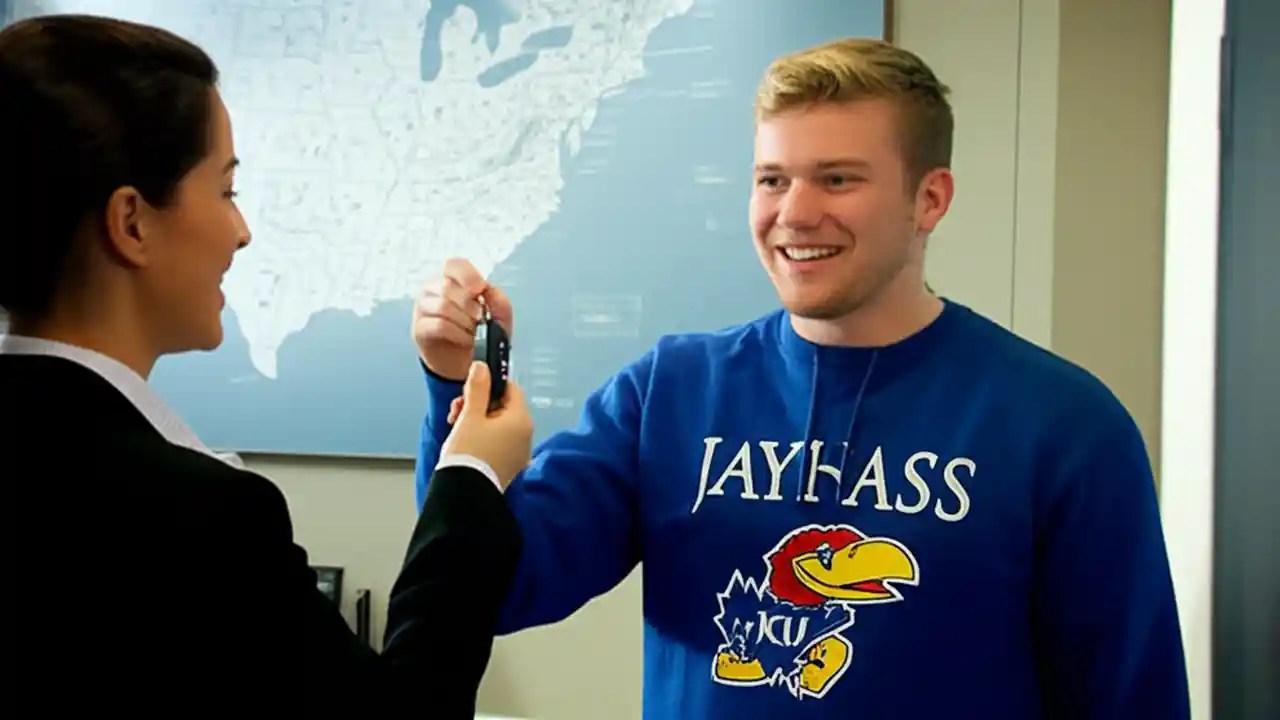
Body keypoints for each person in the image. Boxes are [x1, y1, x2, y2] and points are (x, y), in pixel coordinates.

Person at [411, 36, 1192, 719]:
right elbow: (494, 588)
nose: (795, 212)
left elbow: (1130, 697)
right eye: (773, 179)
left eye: (838, 179)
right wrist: (458, 388)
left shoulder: (1062, 425)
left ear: (931, 198)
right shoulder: (670, 393)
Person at [0, 14, 532, 714]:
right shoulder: (201, 516)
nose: (241, 232)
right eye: (225, 191)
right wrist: (471, 476)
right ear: (131, 223)